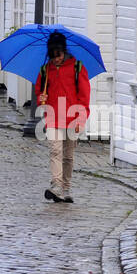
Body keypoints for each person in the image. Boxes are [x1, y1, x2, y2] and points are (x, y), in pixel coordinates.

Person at [33, 30, 91, 203]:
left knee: (68, 155)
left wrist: (81, 118)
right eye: (52, 56)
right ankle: (56, 185)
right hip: (53, 116)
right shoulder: (45, 70)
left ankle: (65, 188)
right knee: (55, 150)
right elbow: (39, 91)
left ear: (64, 51)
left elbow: (84, 95)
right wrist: (41, 99)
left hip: (72, 117)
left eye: (58, 55)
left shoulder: (77, 67)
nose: (55, 59)